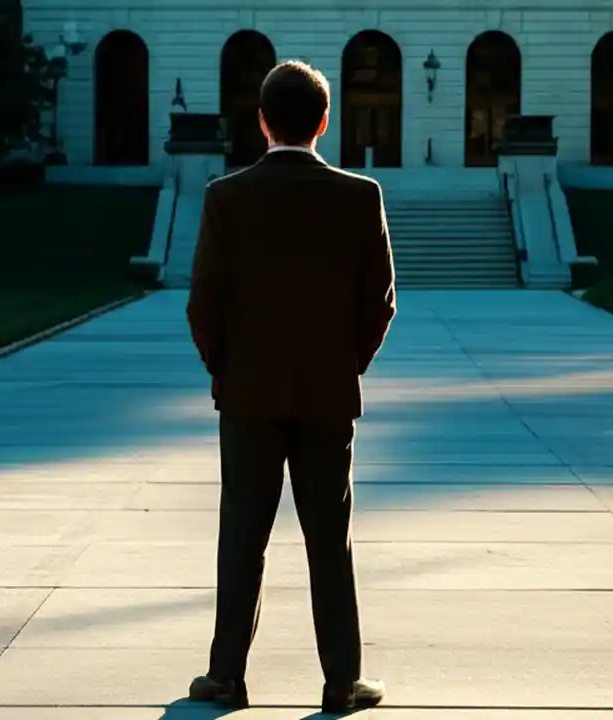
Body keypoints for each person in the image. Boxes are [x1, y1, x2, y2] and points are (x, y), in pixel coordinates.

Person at [185, 60, 396, 714]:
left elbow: (203, 306)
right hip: (327, 398)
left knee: (241, 539)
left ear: (262, 122)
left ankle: (225, 676)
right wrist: (344, 365)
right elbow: (380, 304)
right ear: (324, 121)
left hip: (248, 396)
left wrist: (228, 370)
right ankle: (341, 682)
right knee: (329, 543)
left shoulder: (227, 197)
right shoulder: (360, 196)